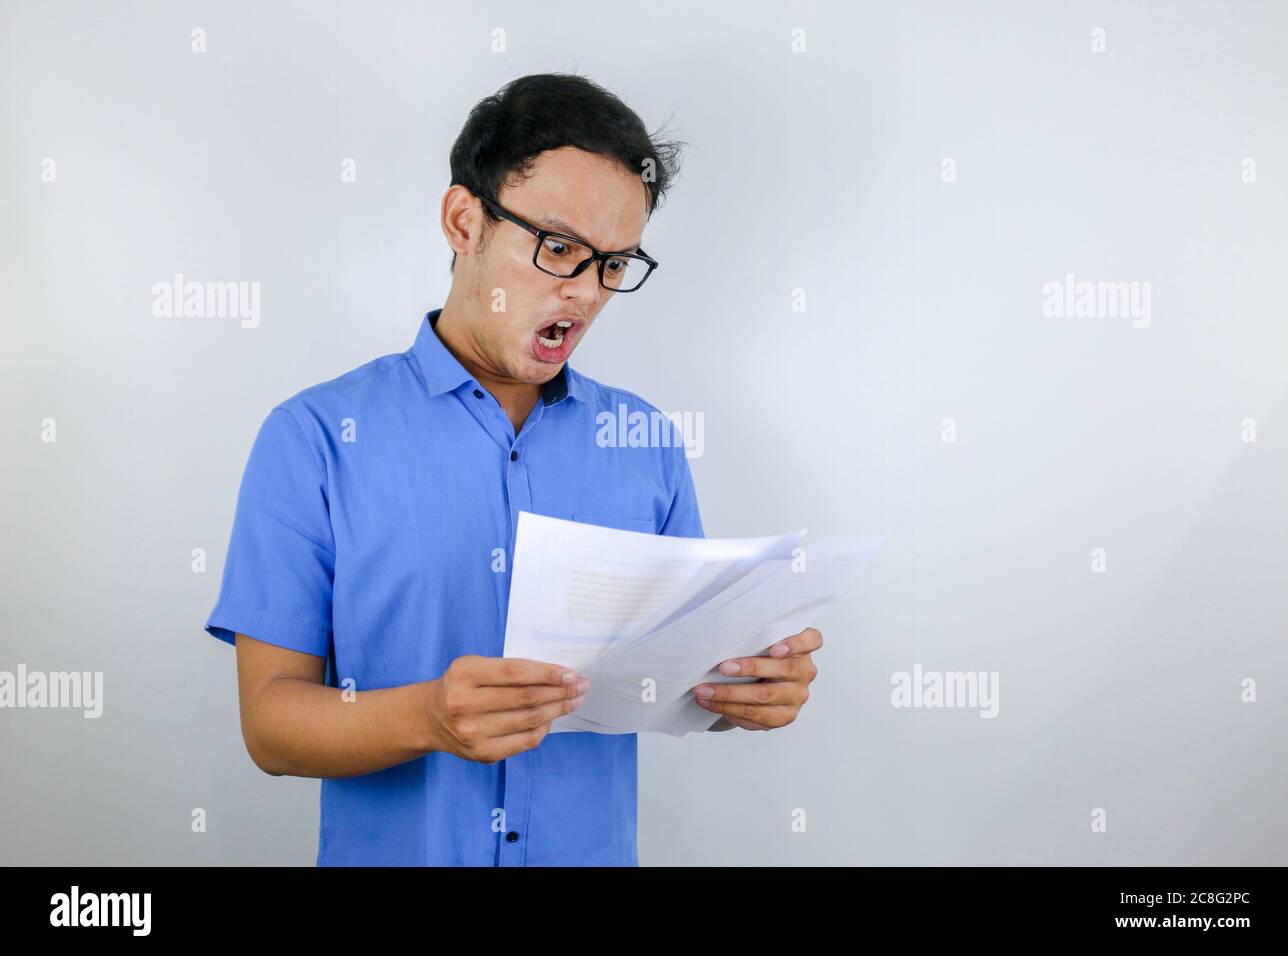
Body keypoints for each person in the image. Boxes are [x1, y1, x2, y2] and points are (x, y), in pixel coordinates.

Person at [204, 72, 823, 866]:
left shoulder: (648, 441)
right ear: (465, 221)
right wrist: (427, 718)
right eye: (558, 248)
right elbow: (270, 725)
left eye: (613, 263)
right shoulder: (314, 438)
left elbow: (677, 681)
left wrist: (745, 690)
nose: (585, 291)